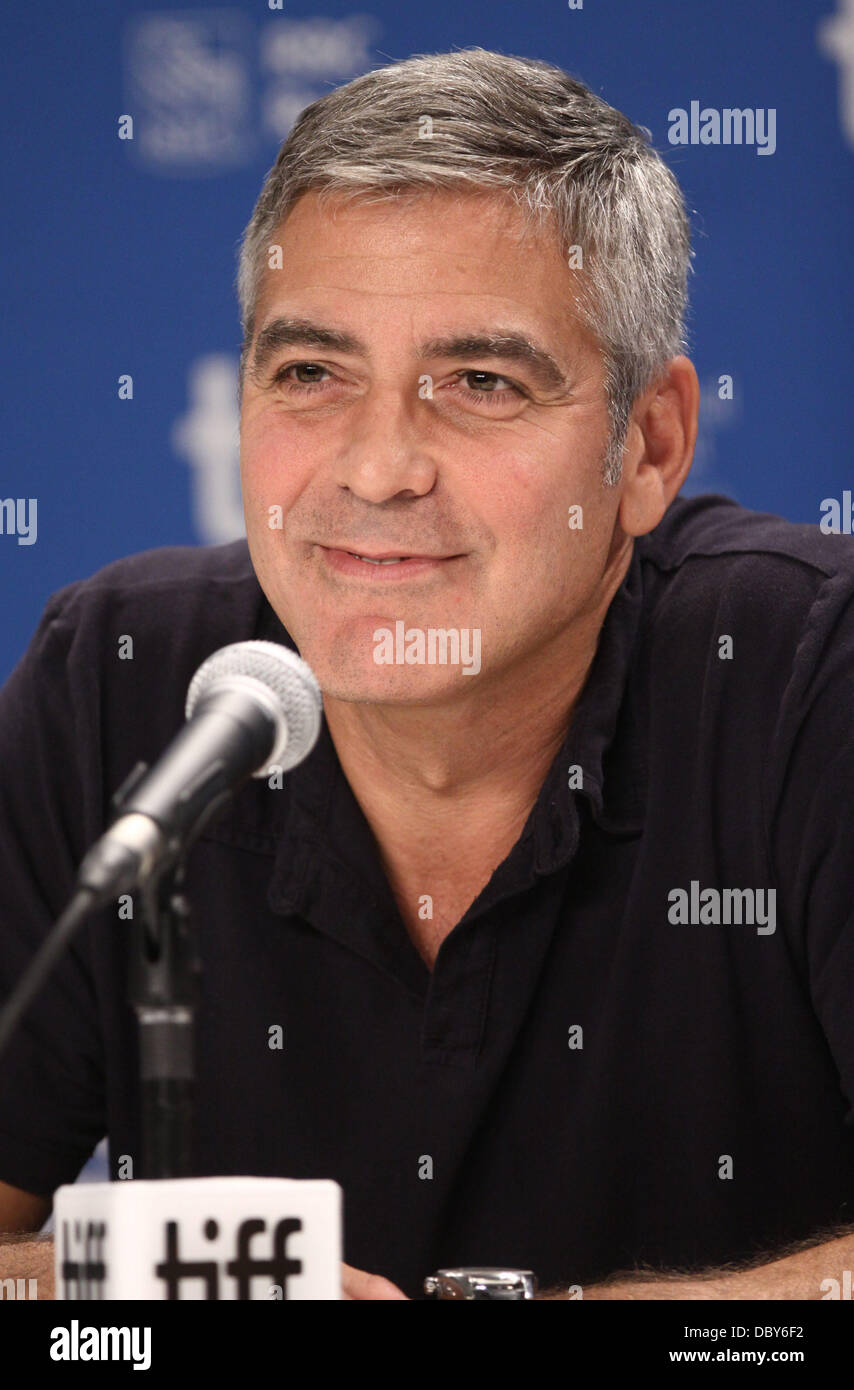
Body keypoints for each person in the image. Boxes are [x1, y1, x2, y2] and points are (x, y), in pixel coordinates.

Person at [2, 48, 853, 1301]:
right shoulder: (123, 683)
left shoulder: (806, 679)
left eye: (480, 382)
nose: (378, 465)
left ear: (647, 447)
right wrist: (146, 1297)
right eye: (309, 374)